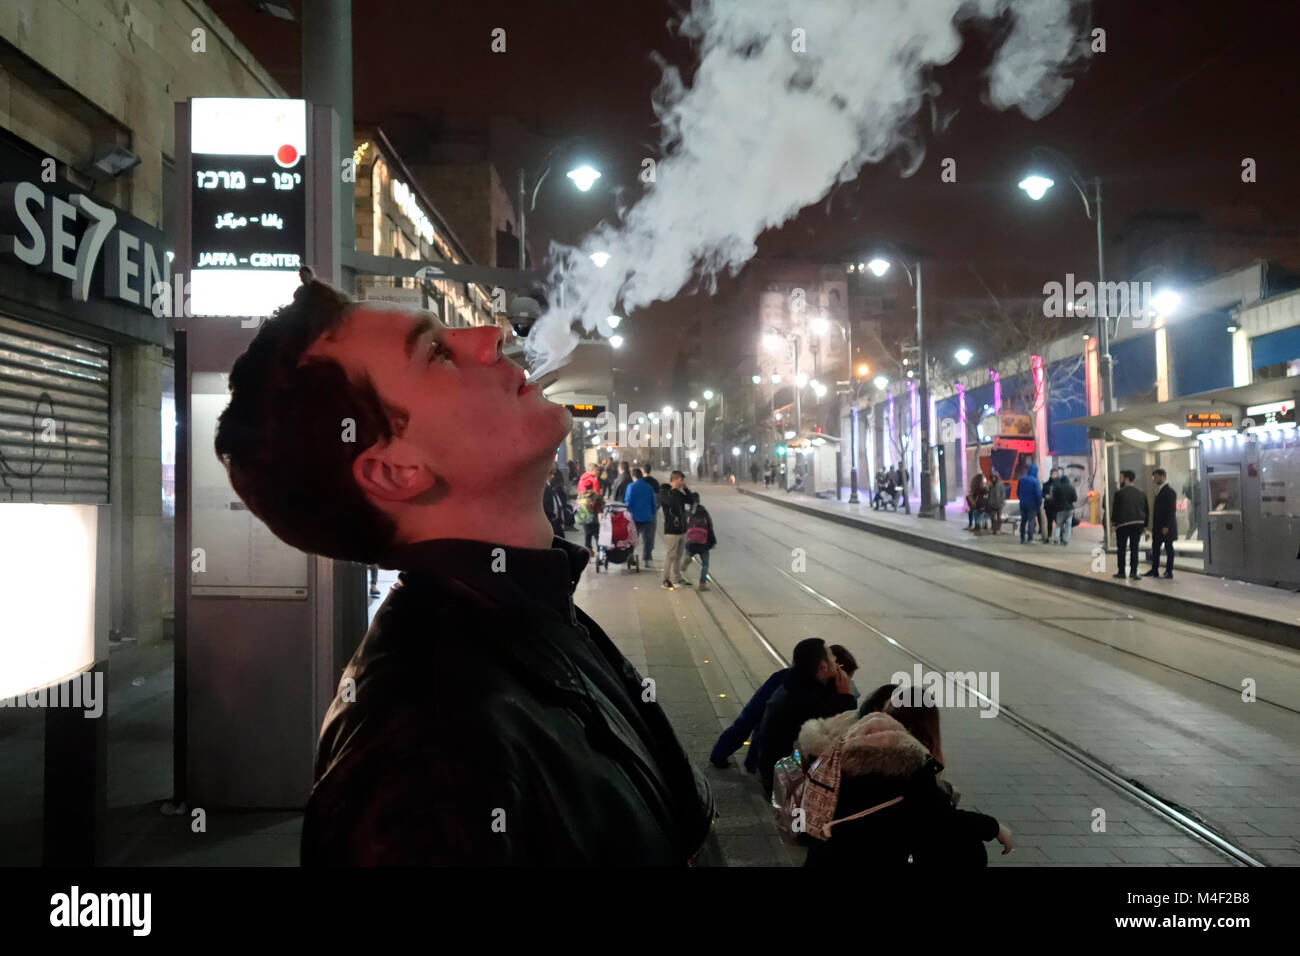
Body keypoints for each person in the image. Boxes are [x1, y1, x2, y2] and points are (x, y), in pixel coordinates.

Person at [214, 277, 712, 864]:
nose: (489, 336)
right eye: (436, 354)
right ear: (397, 471)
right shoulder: (421, 768)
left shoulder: (532, 614)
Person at [798, 691, 1013, 867]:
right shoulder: (907, 765)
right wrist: (995, 828)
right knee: (970, 851)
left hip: (822, 857)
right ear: (927, 733)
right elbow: (943, 820)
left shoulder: (849, 748)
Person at [752, 638, 857, 796]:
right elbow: (834, 735)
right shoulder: (805, 700)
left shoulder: (795, 685)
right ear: (822, 667)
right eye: (831, 657)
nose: (836, 661)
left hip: (773, 770)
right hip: (786, 782)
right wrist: (846, 698)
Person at [658, 470, 697, 589]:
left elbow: (691, 500)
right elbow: (672, 502)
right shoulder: (665, 492)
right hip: (671, 530)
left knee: (678, 556)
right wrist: (675, 489)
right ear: (675, 479)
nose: (683, 483)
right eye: (681, 480)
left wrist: (685, 489)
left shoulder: (679, 493)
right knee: (671, 555)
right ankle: (665, 580)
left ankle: (677, 578)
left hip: (681, 529)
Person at [1112, 469, 1149, 580]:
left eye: (1121, 477)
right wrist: (1145, 525)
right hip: (1138, 524)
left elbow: (1116, 510)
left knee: (1122, 549)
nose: (1120, 479)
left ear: (1126, 479)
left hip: (1123, 525)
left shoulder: (1120, 493)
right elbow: (1146, 509)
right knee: (1134, 549)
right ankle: (1133, 572)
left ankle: (1122, 572)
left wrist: (1113, 523)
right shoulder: (1141, 493)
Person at [1144, 468, 1177, 578]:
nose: (1154, 479)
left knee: (1168, 548)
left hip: (1166, 527)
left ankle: (1169, 571)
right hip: (1158, 527)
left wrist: (1167, 526)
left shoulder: (1169, 492)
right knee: (1155, 548)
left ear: (1162, 476)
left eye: (1156, 477)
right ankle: (1154, 570)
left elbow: (1171, 510)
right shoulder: (1158, 490)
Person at [625, 467, 658, 567]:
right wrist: (652, 514)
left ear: (633, 476)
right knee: (647, 539)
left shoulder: (631, 486)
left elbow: (628, 502)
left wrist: (628, 514)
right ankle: (646, 559)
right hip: (648, 517)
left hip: (634, 518)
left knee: (632, 539)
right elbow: (653, 503)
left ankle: (630, 557)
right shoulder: (649, 487)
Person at [685, 498, 717, 590]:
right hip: (703, 543)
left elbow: (684, 527)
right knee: (705, 564)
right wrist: (713, 542)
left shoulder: (688, 513)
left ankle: (687, 557)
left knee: (688, 550)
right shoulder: (704, 513)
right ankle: (702, 584)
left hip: (691, 542)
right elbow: (710, 528)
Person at [1016, 463, 1042, 544]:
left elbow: (1018, 492)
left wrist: (1021, 499)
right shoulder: (1035, 481)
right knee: (1031, 521)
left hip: (1023, 504)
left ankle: (1022, 537)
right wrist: (1039, 503)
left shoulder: (1022, 479)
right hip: (1032, 505)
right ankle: (1030, 538)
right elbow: (1038, 494)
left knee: (1023, 521)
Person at [1051, 471, 1078, 545]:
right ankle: (1066, 540)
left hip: (1060, 509)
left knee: (1058, 524)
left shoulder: (1058, 488)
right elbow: (1075, 498)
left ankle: (1056, 539)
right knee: (1068, 525)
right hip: (1069, 509)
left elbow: (1054, 498)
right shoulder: (1071, 487)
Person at [1041, 467, 1060, 542]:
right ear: (1050, 474)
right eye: (1053, 474)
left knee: (1057, 521)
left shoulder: (1059, 484)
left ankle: (1058, 537)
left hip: (1056, 506)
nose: (1054, 475)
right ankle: (1049, 536)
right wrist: (1045, 495)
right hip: (1048, 505)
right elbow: (1043, 493)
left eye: (1056, 474)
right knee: (1049, 521)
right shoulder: (1046, 484)